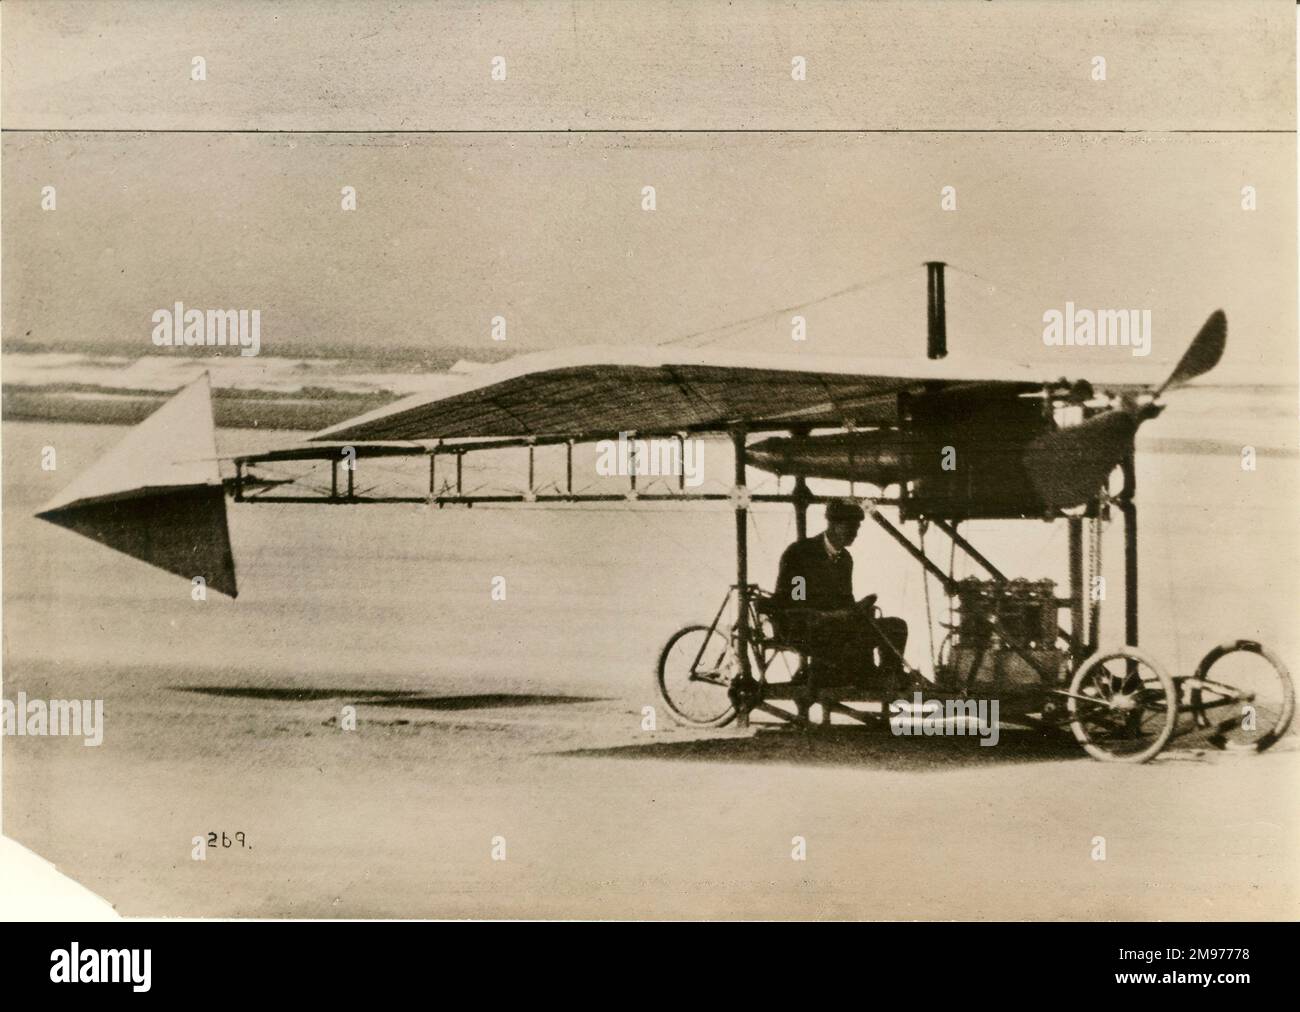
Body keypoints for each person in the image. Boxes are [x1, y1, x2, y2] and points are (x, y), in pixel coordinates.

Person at [772, 498, 909, 688]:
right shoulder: (801, 554)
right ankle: (853, 675)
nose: (855, 534)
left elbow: (845, 599)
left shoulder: (845, 559)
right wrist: (834, 615)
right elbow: (797, 603)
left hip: (835, 624)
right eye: (851, 527)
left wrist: (859, 608)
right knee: (852, 634)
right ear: (834, 525)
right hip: (802, 626)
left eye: (857, 528)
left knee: (896, 626)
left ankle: (889, 673)